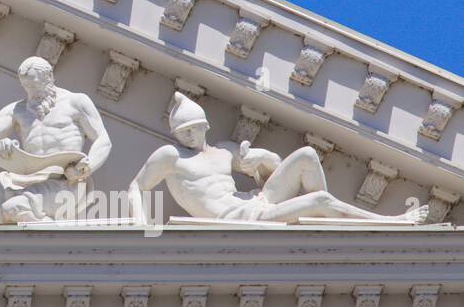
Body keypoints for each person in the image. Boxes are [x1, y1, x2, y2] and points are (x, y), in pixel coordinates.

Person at [128, 92, 429, 225]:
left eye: (193, 130)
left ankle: (324, 222)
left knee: (308, 156)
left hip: (255, 202)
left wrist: (261, 156)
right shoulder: (171, 156)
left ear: (205, 126)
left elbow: (272, 167)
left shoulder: (223, 151)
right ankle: (387, 221)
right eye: (183, 132)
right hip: (237, 219)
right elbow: (136, 187)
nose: (188, 137)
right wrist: (137, 228)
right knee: (320, 201)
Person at [0, 56, 111, 222]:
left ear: (49, 78)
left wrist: (85, 169)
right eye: (26, 86)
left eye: (34, 85)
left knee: (13, 209)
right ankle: (23, 211)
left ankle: (35, 221)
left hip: (63, 182)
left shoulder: (76, 102)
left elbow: (103, 140)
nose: (30, 91)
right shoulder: (18, 109)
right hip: (24, 179)